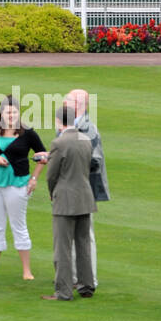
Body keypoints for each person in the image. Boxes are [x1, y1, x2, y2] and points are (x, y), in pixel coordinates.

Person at [0, 96, 47, 280]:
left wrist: (34, 178)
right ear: (1, 113)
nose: (11, 115)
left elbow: (43, 155)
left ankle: (26, 270)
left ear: (19, 112)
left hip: (17, 184)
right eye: (7, 112)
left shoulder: (28, 133)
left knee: (19, 226)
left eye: (14, 112)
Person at [42, 103, 97, 301]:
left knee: (63, 247)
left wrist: (52, 193)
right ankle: (86, 286)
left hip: (65, 199)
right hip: (84, 197)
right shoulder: (86, 140)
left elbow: (51, 175)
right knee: (83, 244)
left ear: (58, 121)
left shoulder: (59, 143)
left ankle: (64, 291)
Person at [55, 88, 108, 288]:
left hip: (84, 189)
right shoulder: (66, 124)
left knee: (85, 236)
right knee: (71, 235)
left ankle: (89, 279)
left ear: (78, 104)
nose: (63, 102)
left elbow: (96, 161)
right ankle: (75, 277)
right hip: (69, 187)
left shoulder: (89, 129)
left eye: (67, 99)